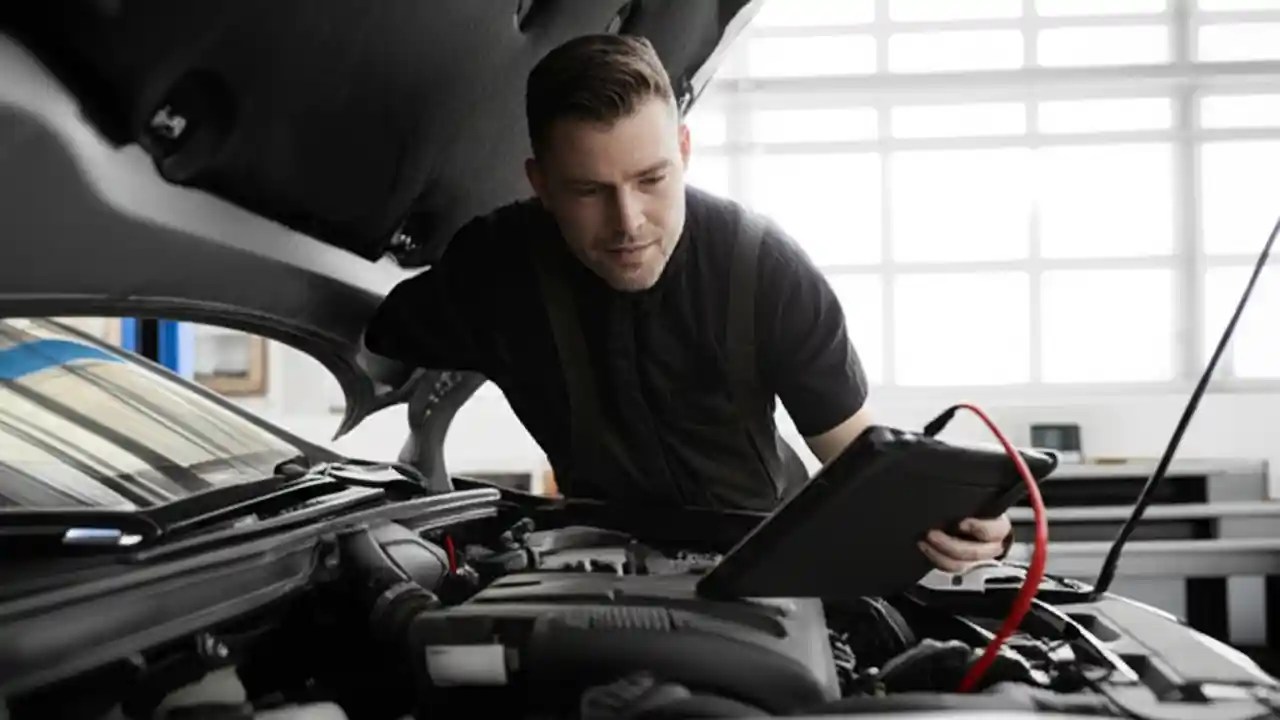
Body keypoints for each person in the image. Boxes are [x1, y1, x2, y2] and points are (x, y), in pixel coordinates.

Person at [362, 34, 1011, 571]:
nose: (628, 223)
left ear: (685, 152)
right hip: (590, 563)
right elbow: (370, 339)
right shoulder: (494, 265)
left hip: (763, 560)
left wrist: (961, 519)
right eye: (589, 190)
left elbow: (854, 447)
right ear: (540, 184)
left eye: (651, 180)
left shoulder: (767, 269)